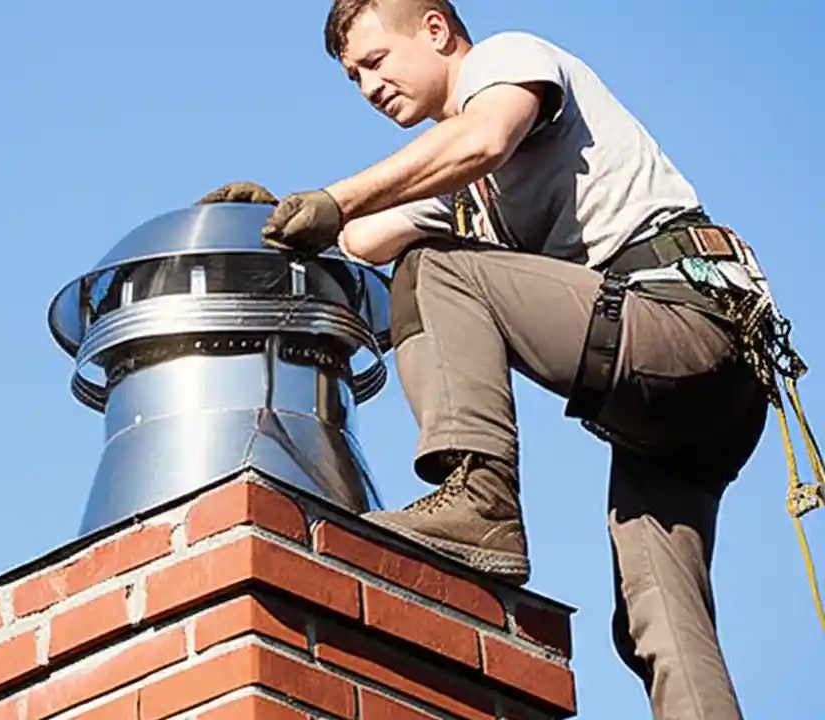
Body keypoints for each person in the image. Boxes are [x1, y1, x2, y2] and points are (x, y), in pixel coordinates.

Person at [202, 1, 807, 718]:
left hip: (682, 323)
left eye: (375, 62)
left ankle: (480, 500)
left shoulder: (507, 59)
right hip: (690, 406)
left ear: (434, 30)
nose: (368, 87)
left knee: (438, 269)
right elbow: (361, 241)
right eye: (353, 79)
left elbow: (483, 138)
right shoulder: (463, 194)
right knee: (656, 621)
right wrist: (262, 228)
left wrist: (335, 198)